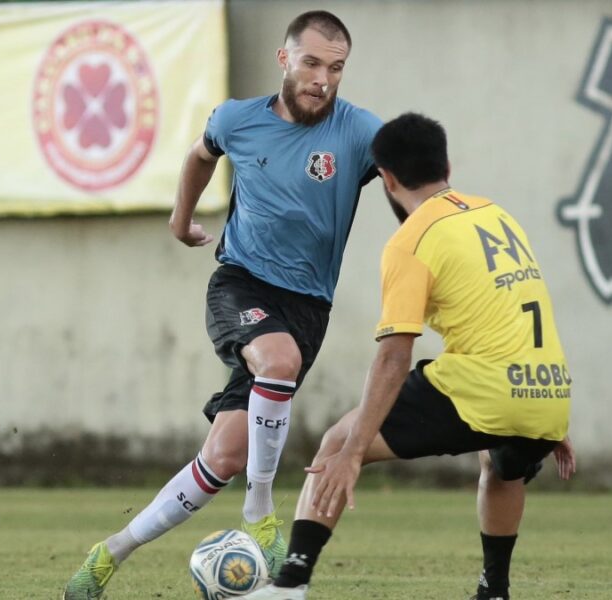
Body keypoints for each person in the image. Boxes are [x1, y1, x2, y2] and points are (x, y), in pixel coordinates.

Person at [63, 10, 382, 599]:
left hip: (309, 307)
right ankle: (261, 517)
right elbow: (199, 157)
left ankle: (109, 553)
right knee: (278, 363)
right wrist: (181, 222)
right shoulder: (239, 118)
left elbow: (408, 177)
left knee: (226, 456)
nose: (322, 80)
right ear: (285, 59)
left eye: (336, 69)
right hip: (241, 283)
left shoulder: (358, 132)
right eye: (311, 63)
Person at [244, 112, 576, 600]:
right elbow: (518, 310)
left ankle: (290, 584)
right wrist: (550, 418)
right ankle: (494, 591)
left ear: (387, 178)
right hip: (548, 391)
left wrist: (354, 452)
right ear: (447, 166)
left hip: (488, 387)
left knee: (337, 443)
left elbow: (394, 359)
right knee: (502, 463)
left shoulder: (411, 239)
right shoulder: (495, 213)